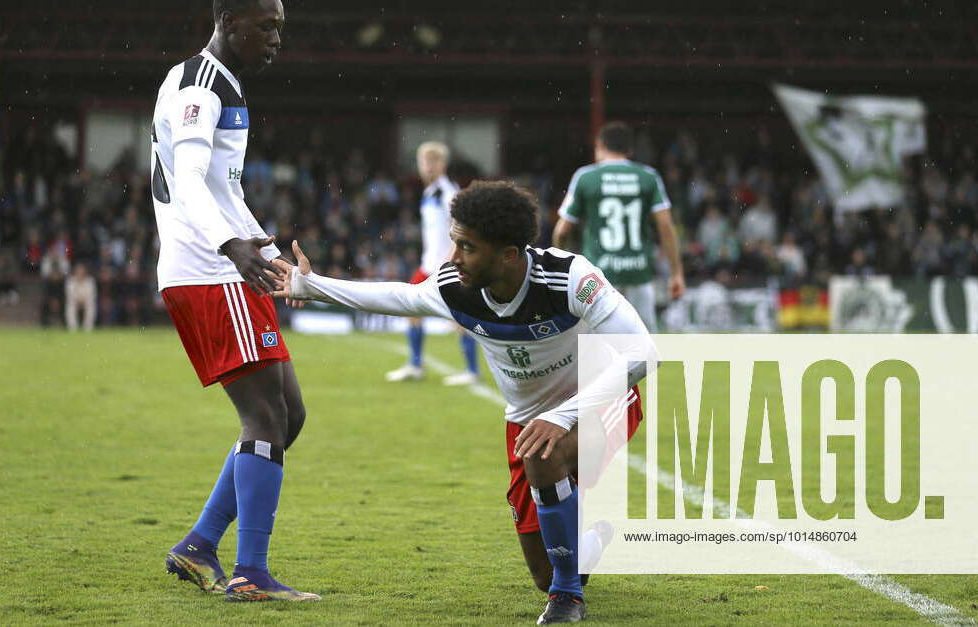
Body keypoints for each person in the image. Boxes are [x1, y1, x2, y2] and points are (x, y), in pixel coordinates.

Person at [272, 180, 657, 624]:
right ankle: (586, 546)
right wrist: (314, 286)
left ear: (508, 254)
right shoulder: (454, 287)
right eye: (455, 242)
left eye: (467, 247)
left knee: (542, 457)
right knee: (543, 571)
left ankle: (567, 598)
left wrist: (563, 415)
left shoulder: (569, 278)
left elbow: (642, 353)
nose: (453, 256)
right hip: (527, 419)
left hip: (600, 399)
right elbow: (401, 296)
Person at [149, 0, 318, 602]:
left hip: (225, 267)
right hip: (210, 272)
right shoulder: (200, 86)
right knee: (265, 417)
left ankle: (200, 545)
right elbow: (191, 179)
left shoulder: (221, 80)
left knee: (288, 415)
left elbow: (225, 188)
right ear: (228, 20)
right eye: (266, 27)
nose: (276, 39)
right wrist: (231, 247)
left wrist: (263, 253)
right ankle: (251, 573)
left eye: (280, 28)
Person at [552, 121, 685, 330]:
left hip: (598, 277)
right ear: (630, 150)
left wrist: (563, 270)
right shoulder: (648, 177)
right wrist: (676, 273)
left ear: (600, 146)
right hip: (639, 273)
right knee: (644, 345)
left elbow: (562, 231)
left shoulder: (585, 177)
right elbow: (666, 226)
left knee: (597, 346)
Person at [384, 141, 481, 385]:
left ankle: (472, 370)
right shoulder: (429, 193)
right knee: (411, 311)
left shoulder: (449, 193)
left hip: (445, 265)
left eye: (434, 160)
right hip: (427, 265)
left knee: (459, 318)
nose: (428, 166)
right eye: (425, 161)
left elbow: (462, 228)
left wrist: (451, 261)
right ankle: (416, 365)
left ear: (443, 164)